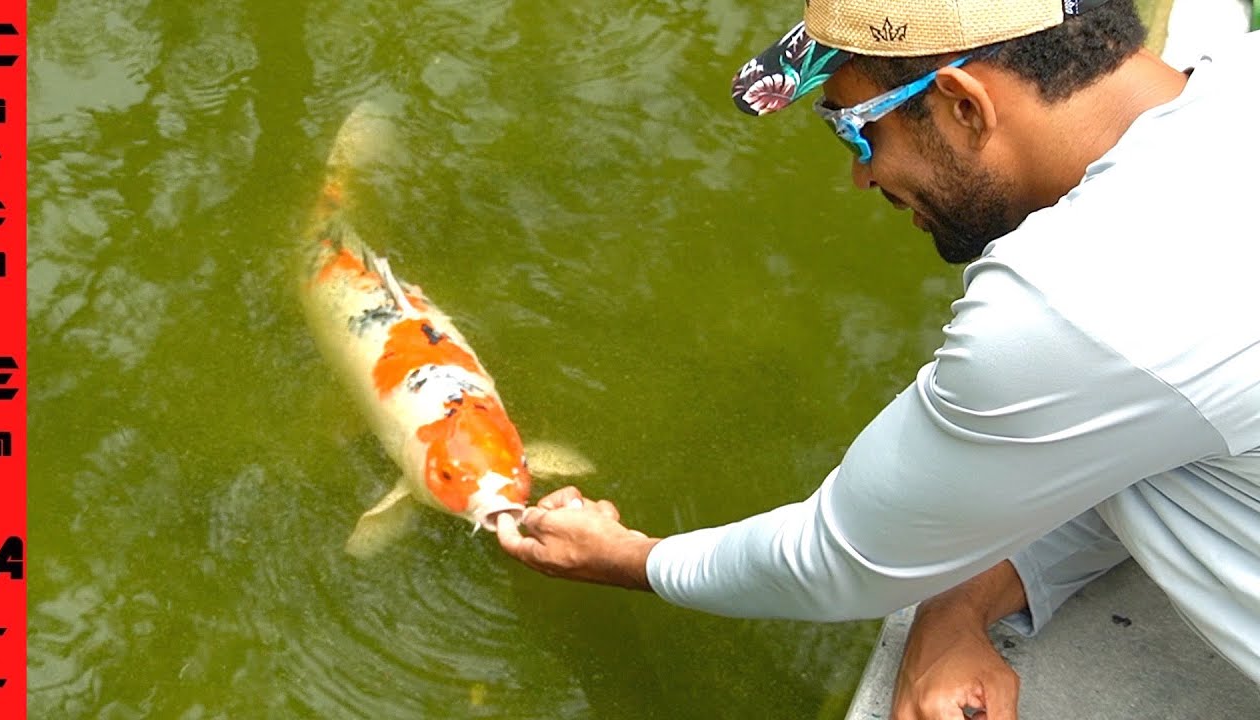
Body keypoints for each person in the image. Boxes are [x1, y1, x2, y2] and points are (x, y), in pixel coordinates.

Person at [496, 0, 1260, 717]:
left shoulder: (1082, 298)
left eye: (856, 129)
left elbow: (837, 558)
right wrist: (956, 606)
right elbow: (1148, 421)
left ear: (965, 104)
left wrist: (627, 557)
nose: (862, 176)